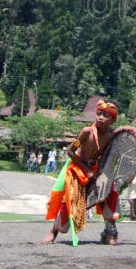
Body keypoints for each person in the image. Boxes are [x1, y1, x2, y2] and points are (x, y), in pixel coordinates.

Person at [43, 100, 121, 246]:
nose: (101, 118)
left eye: (106, 115)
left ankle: (110, 232)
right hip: (79, 170)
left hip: (98, 170)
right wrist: (86, 170)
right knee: (69, 202)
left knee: (110, 194)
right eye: (99, 114)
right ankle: (54, 232)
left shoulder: (113, 135)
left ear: (112, 120)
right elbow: (70, 151)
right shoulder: (86, 132)